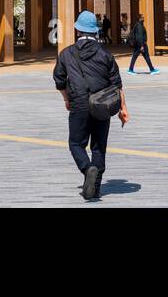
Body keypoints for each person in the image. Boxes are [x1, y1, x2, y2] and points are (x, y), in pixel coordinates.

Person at [54, 10, 128, 199]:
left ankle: (88, 170)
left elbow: (59, 80)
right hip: (102, 104)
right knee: (98, 146)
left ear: (77, 30)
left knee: (76, 143)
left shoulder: (67, 53)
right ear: (95, 31)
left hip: (78, 102)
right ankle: (94, 187)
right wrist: (123, 109)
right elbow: (117, 84)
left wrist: (66, 99)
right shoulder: (105, 54)